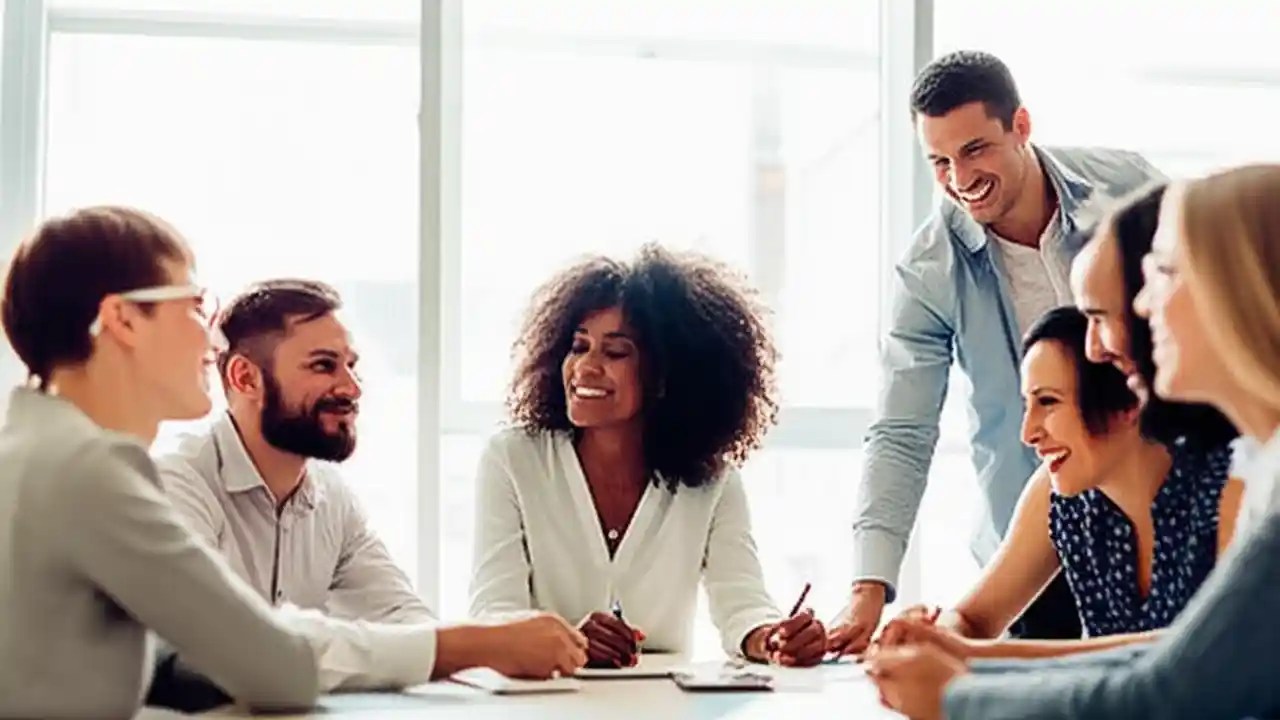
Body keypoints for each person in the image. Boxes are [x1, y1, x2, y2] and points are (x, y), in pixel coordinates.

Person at [866, 164, 1280, 720]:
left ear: (1234, 288)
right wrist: (968, 660)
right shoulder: (1264, 466)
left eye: (1164, 272)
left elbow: (1177, 688)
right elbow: (1183, 654)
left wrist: (957, 695)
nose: (1139, 308)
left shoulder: (1237, 481)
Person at [829, 50, 1165, 655]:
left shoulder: (1131, 191)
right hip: (1037, 530)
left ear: (1021, 127)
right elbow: (902, 429)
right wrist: (869, 587)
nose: (960, 179)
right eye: (939, 162)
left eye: (975, 149)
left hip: (1156, 502)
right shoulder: (929, 270)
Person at [155, 279, 587, 691]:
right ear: (245, 379)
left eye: (351, 365)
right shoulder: (176, 486)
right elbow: (228, 645)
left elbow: (402, 618)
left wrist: (521, 645)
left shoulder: (332, 498)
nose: (351, 387)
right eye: (324, 365)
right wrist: (474, 645)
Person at [469, 244, 824, 668]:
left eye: (615, 352)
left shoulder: (712, 482)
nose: (584, 367)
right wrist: (566, 642)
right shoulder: (512, 460)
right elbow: (493, 612)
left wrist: (774, 639)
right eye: (579, 346)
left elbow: (742, 605)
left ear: (667, 375)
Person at [875, 307, 1240, 660]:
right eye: (1027, 405)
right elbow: (974, 618)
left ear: (1128, 401)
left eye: (1048, 402)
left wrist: (975, 653)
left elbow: (1196, 653)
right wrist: (936, 636)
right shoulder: (1060, 497)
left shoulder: (1229, 486)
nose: (1028, 433)